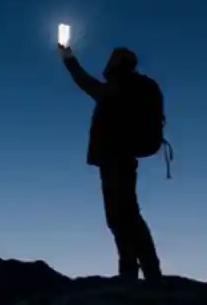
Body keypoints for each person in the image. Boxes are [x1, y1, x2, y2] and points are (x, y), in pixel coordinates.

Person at [58, 43, 162, 283]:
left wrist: (69, 60)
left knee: (121, 216)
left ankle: (137, 270)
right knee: (125, 214)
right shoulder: (131, 87)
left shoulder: (120, 87)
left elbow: (87, 84)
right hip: (120, 158)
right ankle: (144, 269)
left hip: (115, 159)